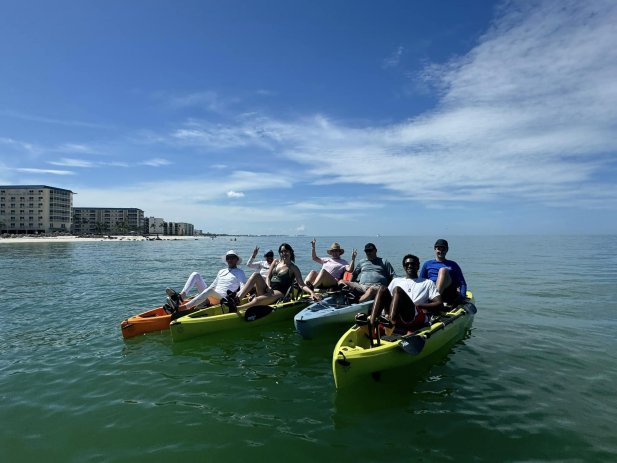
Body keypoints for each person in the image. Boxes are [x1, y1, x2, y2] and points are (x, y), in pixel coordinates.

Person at [365, 254, 443, 333]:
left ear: (418, 266)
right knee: (382, 289)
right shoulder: (396, 280)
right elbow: (386, 298)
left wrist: (419, 305)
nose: (409, 266)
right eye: (407, 264)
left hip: (413, 315)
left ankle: (390, 324)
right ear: (404, 267)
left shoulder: (427, 283)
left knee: (398, 290)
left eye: (413, 264)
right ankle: (372, 325)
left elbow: (439, 303)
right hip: (396, 314)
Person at [233, 242, 320, 310]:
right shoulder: (275, 262)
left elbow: (301, 284)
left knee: (257, 300)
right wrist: (268, 286)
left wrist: (312, 293)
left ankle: (236, 308)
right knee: (256, 275)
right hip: (268, 289)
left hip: (279, 293)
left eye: (286, 251)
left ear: (290, 252)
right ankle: (237, 300)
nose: (283, 253)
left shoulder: (293, 268)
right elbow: (268, 277)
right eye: (281, 252)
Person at [167, 250, 247, 312]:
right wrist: (201, 294)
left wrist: (238, 299)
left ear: (237, 259)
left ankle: (182, 308)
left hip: (223, 299)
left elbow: (243, 286)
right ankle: (181, 296)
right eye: (228, 258)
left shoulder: (240, 272)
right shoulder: (221, 271)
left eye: (232, 257)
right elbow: (213, 285)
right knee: (195, 275)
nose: (230, 260)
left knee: (210, 291)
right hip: (212, 295)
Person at [419, 239, 467, 306]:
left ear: (447, 250)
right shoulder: (427, 264)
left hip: (448, 292)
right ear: (435, 249)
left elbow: (462, 283)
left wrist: (462, 297)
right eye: (438, 248)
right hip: (431, 291)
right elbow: (421, 282)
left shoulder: (453, 265)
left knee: (443, 271)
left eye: (443, 249)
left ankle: (434, 303)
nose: (441, 251)